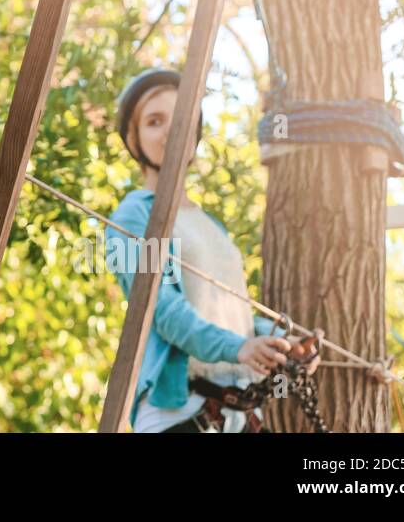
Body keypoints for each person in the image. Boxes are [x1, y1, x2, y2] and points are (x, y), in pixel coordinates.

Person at [105, 68, 322, 432]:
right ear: (134, 137)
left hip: (238, 411)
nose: (170, 130)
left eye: (181, 119)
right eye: (154, 121)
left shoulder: (212, 226)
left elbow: (233, 314)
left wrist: (280, 342)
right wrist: (238, 348)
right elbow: (160, 309)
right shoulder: (133, 213)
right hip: (179, 413)